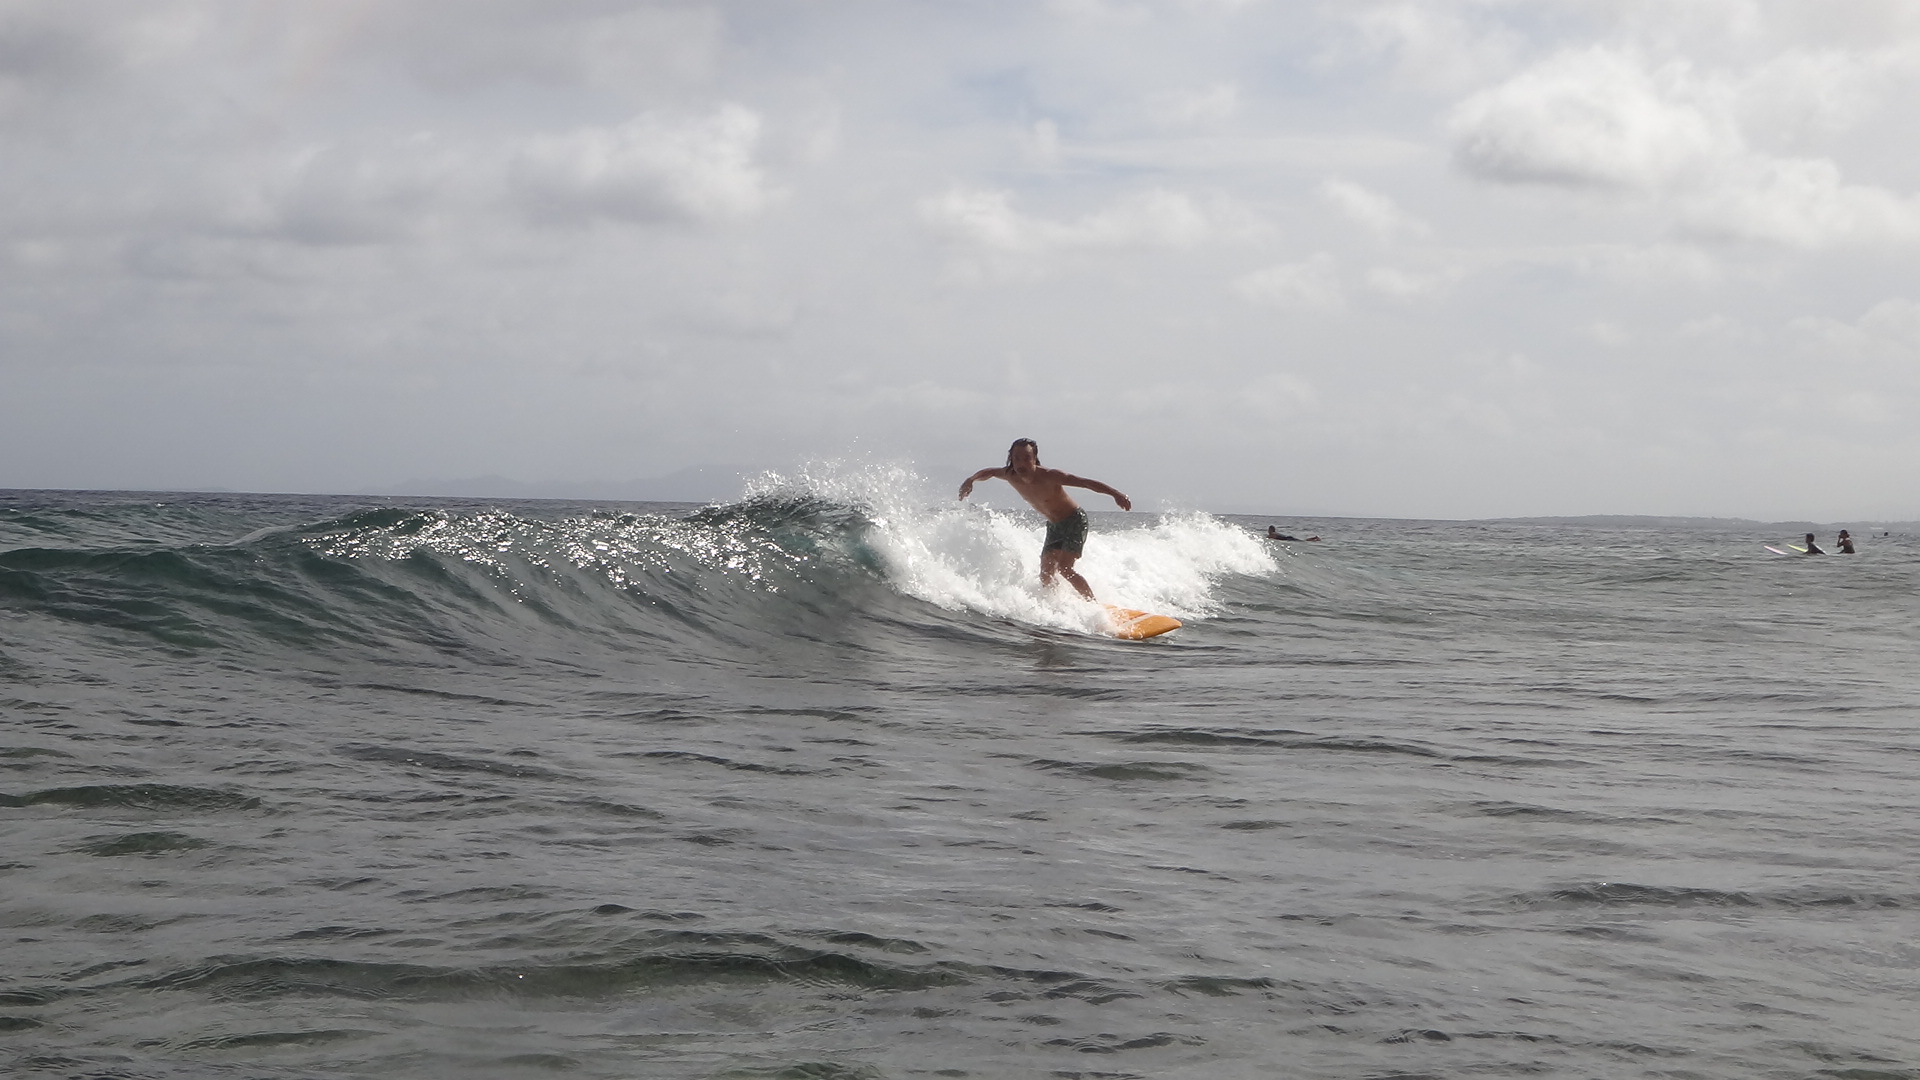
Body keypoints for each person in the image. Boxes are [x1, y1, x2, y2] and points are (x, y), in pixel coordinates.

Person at [958, 438, 1130, 600]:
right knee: (1046, 574)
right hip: (1054, 526)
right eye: (1016, 458)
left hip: (1074, 521)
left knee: (1065, 569)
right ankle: (1055, 603)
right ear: (1010, 458)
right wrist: (971, 480)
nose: (1021, 463)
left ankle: (1093, 605)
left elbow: (1085, 483)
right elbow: (988, 472)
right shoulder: (1009, 474)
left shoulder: (1050, 476)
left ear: (1035, 458)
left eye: (1026, 458)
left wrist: (1116, 494)